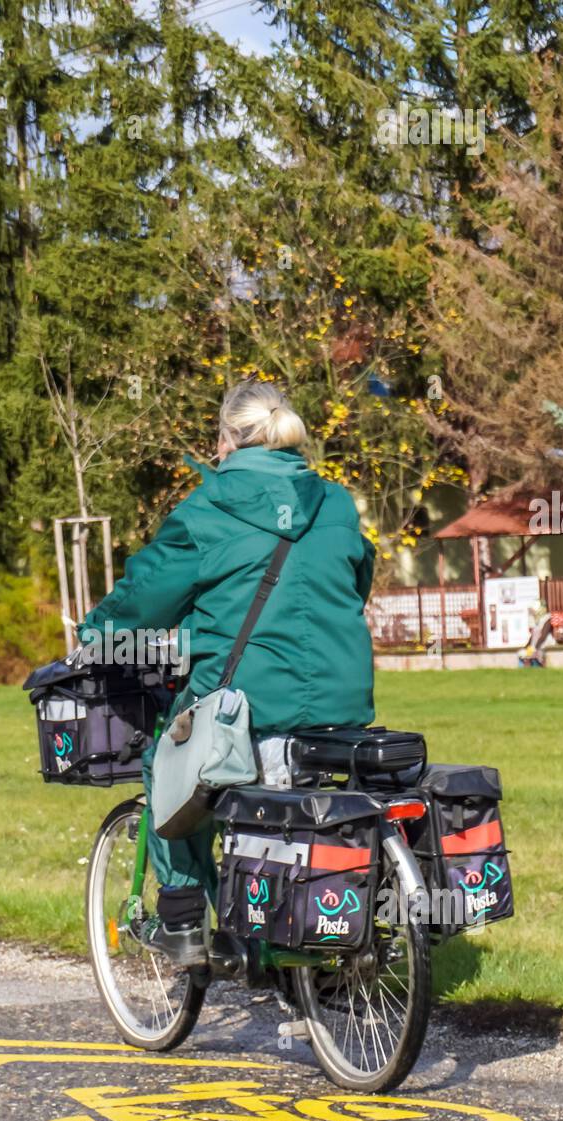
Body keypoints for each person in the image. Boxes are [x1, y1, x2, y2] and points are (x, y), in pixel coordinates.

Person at [77, 379, 376, 965]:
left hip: (246, 703)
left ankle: (183, 923)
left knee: (169, 763)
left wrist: (96, 636)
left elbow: (144, 598)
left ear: (226, 439)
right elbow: (356, 582)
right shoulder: (336, 501)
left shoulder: (208, 508)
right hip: (345, 700)